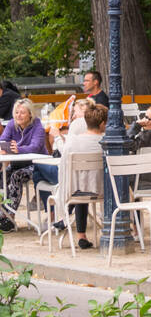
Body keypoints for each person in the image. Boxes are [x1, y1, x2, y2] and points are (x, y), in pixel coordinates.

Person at [42, 102, 105, 249]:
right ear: (103, 124)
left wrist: (58, 138)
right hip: (103, 190)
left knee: (79, 183)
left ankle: (76, 231)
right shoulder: (107, 141)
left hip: (76, 192)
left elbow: (64, 168)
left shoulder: (72, 142)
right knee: (85, 182)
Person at [0, 99, 48, 230]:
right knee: (3, 176)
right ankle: (2, 214)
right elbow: (3, 139)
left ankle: (9, 218)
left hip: (37, 164)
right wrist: (3, 148)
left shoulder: (37, 125)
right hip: (17, 163)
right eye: (16, 112)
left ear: (30, 114)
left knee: (16, 176)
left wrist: (19, 149)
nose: (18, 115)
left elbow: (36, 146)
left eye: (22, 113)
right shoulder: (11, 124)